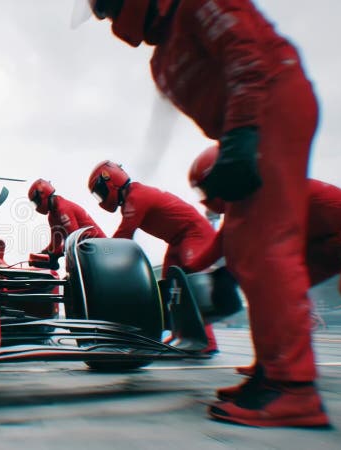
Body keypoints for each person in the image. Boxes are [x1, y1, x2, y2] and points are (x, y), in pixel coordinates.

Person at [78, 0, 324, 427]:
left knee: (262, 250)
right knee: (247, 251)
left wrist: (244, 134)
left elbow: (247, 52)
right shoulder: (165, 49)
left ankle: (293, 389)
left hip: (268, 110)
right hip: (247, 126)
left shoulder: (196, 4)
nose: (110, 17)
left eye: (110, 7)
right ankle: (273, 373)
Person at [187, 145, 341, 320]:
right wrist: (181, 273)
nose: (204, 200)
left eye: (206, 191)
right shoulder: (240, 208)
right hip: (329, 247)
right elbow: (216, 250)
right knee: (276, 291)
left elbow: (255, 250)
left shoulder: (278, 193)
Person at [88, 160, 219, 353]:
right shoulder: (131, 200)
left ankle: (207, 341)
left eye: (101, 191)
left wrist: (99, 254)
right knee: (170, 288)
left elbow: (123, 237)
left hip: (193, 233)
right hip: (176, 240)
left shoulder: (136, 197)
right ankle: (181, 333)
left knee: (187, 285)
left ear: (110, 182)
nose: (102, 197)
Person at [28, 179, 106, 270]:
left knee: (72, 278)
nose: (37, 205)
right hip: (86, 248)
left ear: (42, 195)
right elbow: (55, 243)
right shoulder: (52, 216)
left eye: (36, 201)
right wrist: (43, 254)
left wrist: (69, 270)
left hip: (98, 248)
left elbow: (73, 241)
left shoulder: (64, 209)